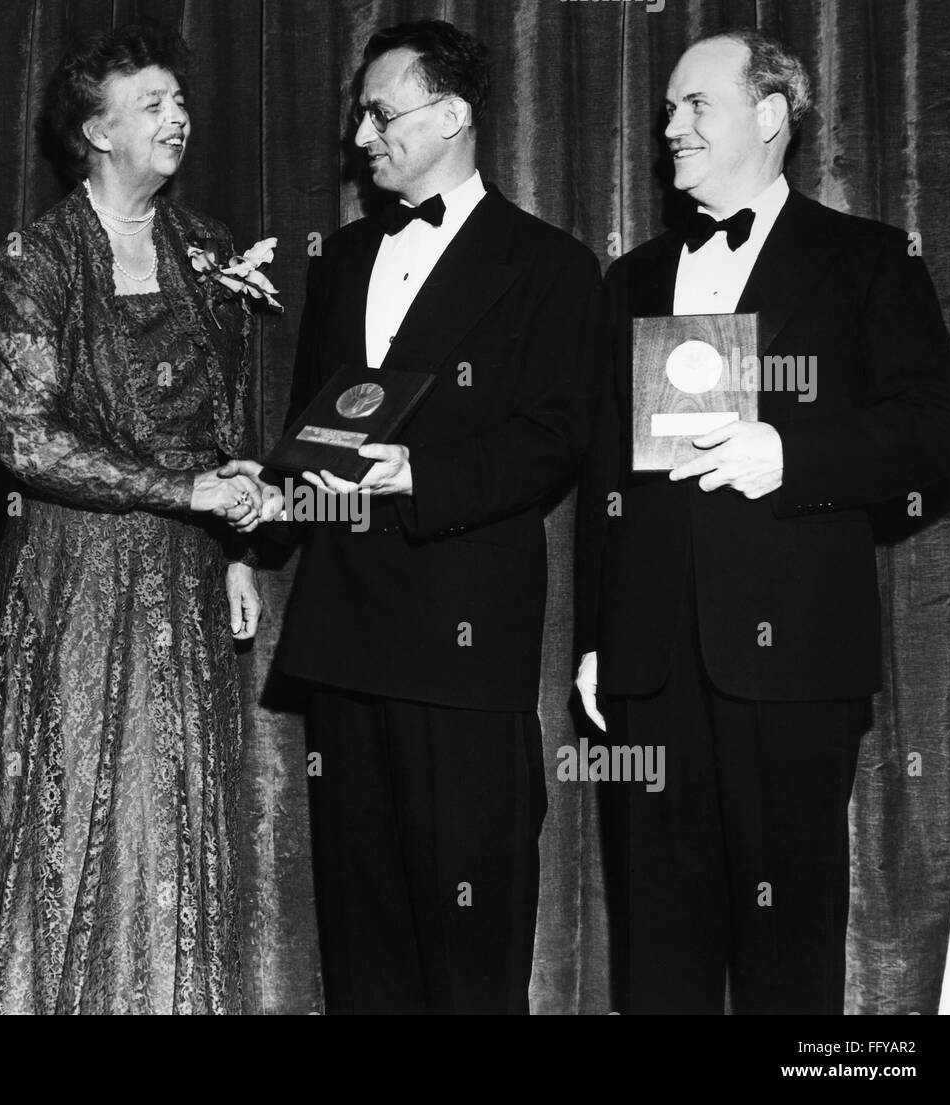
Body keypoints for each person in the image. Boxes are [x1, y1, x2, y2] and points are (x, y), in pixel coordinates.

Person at [574, 29, 950, 1014]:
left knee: (786, 952)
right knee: (656, 950)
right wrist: (593, 637)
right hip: (649, 664)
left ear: (767, 114)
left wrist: (789, 456)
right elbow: (602, 475)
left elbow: (932, 427)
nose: (668, 128)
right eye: (665, 108)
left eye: (692, 106)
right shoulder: (630, 279)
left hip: (792, 665)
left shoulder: (867, 260)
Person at [225, 19, 602, 1014]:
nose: (359, 135)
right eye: (360, 113)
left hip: (459, 640)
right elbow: (313, 432)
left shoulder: (549, 265)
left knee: (469, 938)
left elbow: (557, 436)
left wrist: (417, 473)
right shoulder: (342, 257)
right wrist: (256, 529)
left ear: (454, 115)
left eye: (381, 113)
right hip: (344, 635)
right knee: (365, 933)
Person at [0, 22, 267, 1015]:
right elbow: (27, 443)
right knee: (67, 815)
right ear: (95, 130)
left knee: (169, 818)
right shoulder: (29, 261)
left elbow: (223, 418)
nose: (178, 120)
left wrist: (235, 549)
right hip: (71, 581)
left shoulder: (210, 246)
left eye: (179, 102)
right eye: (151, 106)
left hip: (181, 576)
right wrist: (186, 494)